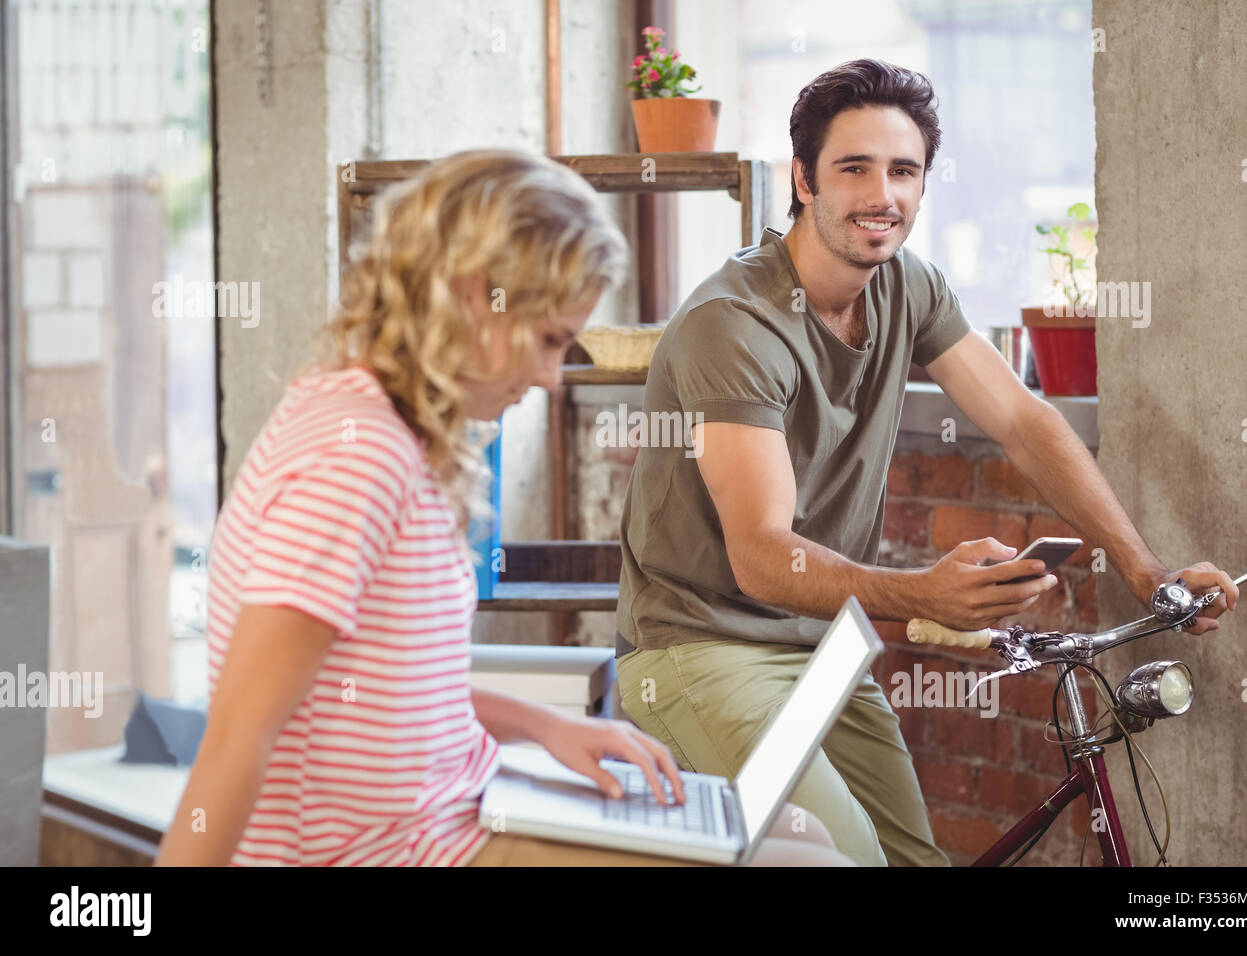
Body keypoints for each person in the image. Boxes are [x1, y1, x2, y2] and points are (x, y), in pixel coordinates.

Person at [614, 59, 1240, 867]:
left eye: (903, 170)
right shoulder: (731, 325)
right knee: (844, 862)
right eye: (853, 168)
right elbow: (763, 555)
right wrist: (921, 594)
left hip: (822, 647)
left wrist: (1147, 569)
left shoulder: (910, 285)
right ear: (802, 180)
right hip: (700, 650)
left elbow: (1022, 419)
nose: (883, 194)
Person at [154, 149, 851, 867]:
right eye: (547, 340)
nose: (552, 379)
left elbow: (386, 683)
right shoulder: (354, 460)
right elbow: (240, 734)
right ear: (469, 293)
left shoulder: (391, 428)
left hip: (458, 808)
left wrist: (547, 727)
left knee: (801, 837)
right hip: (404, 853)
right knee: (808, 862)